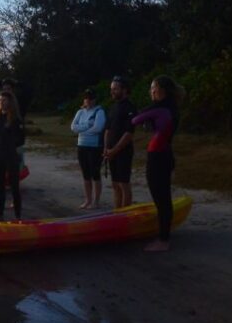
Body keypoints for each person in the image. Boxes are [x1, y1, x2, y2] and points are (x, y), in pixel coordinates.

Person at [132, 75, 184, 252]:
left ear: (162, 91)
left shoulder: (161, 109)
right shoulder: (170, 108)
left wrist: (144, 116)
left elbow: (135, 120)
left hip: (159, 158)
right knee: (163, 198)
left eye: (153, 88)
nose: (151, 92)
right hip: (163, 155)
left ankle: (163, 240)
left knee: (161, 199)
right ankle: (164, 235)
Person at [103, 76, 137, 208]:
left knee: (124, 184)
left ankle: (126, 214)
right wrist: (106, 149)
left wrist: (114, 150)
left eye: (115, 89)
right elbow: (107, 130)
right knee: (115, 184)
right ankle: (117, 213)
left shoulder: (130, 108)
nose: (112, 91)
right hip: (111, 152)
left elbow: (129, 133)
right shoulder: (113, 107)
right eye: (111, 89)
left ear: (124, 90)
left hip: (123, 152)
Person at [0, 90, 25, 221]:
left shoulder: (16, 120)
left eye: (4, 100)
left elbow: (21, 139)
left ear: (10, 102)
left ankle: (18, 216)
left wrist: (11, 147)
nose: (1, 102)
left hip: (11, 156)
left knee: (14, 187)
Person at [70, 88, 106, 209]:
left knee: (95, 174)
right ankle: (88, 200)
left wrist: (82, 130)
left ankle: (96, 201)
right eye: (86, 98)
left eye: (90, 98)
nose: (88, 101)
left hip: (94, 147)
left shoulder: (99, 112)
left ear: (95, 99)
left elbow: (98, 128)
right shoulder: (80, 112)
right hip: (82, 145)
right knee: (85, 174)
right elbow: (73, 127)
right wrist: (87, 126)